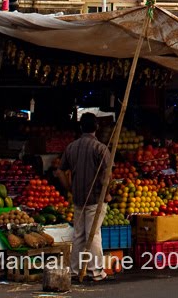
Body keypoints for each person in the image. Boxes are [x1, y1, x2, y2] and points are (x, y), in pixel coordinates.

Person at [56, 113, 112, 282]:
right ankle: (95, 272)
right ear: (97, 128)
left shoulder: (71, 147)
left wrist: (70, 188)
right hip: (95, 198)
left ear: (81, 127)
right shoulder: (100, 148)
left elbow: (60, 171)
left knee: (79, 234)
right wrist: (107, 192)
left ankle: (74, 270)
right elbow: (106, 175)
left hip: (78, 198)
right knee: (93, 234)